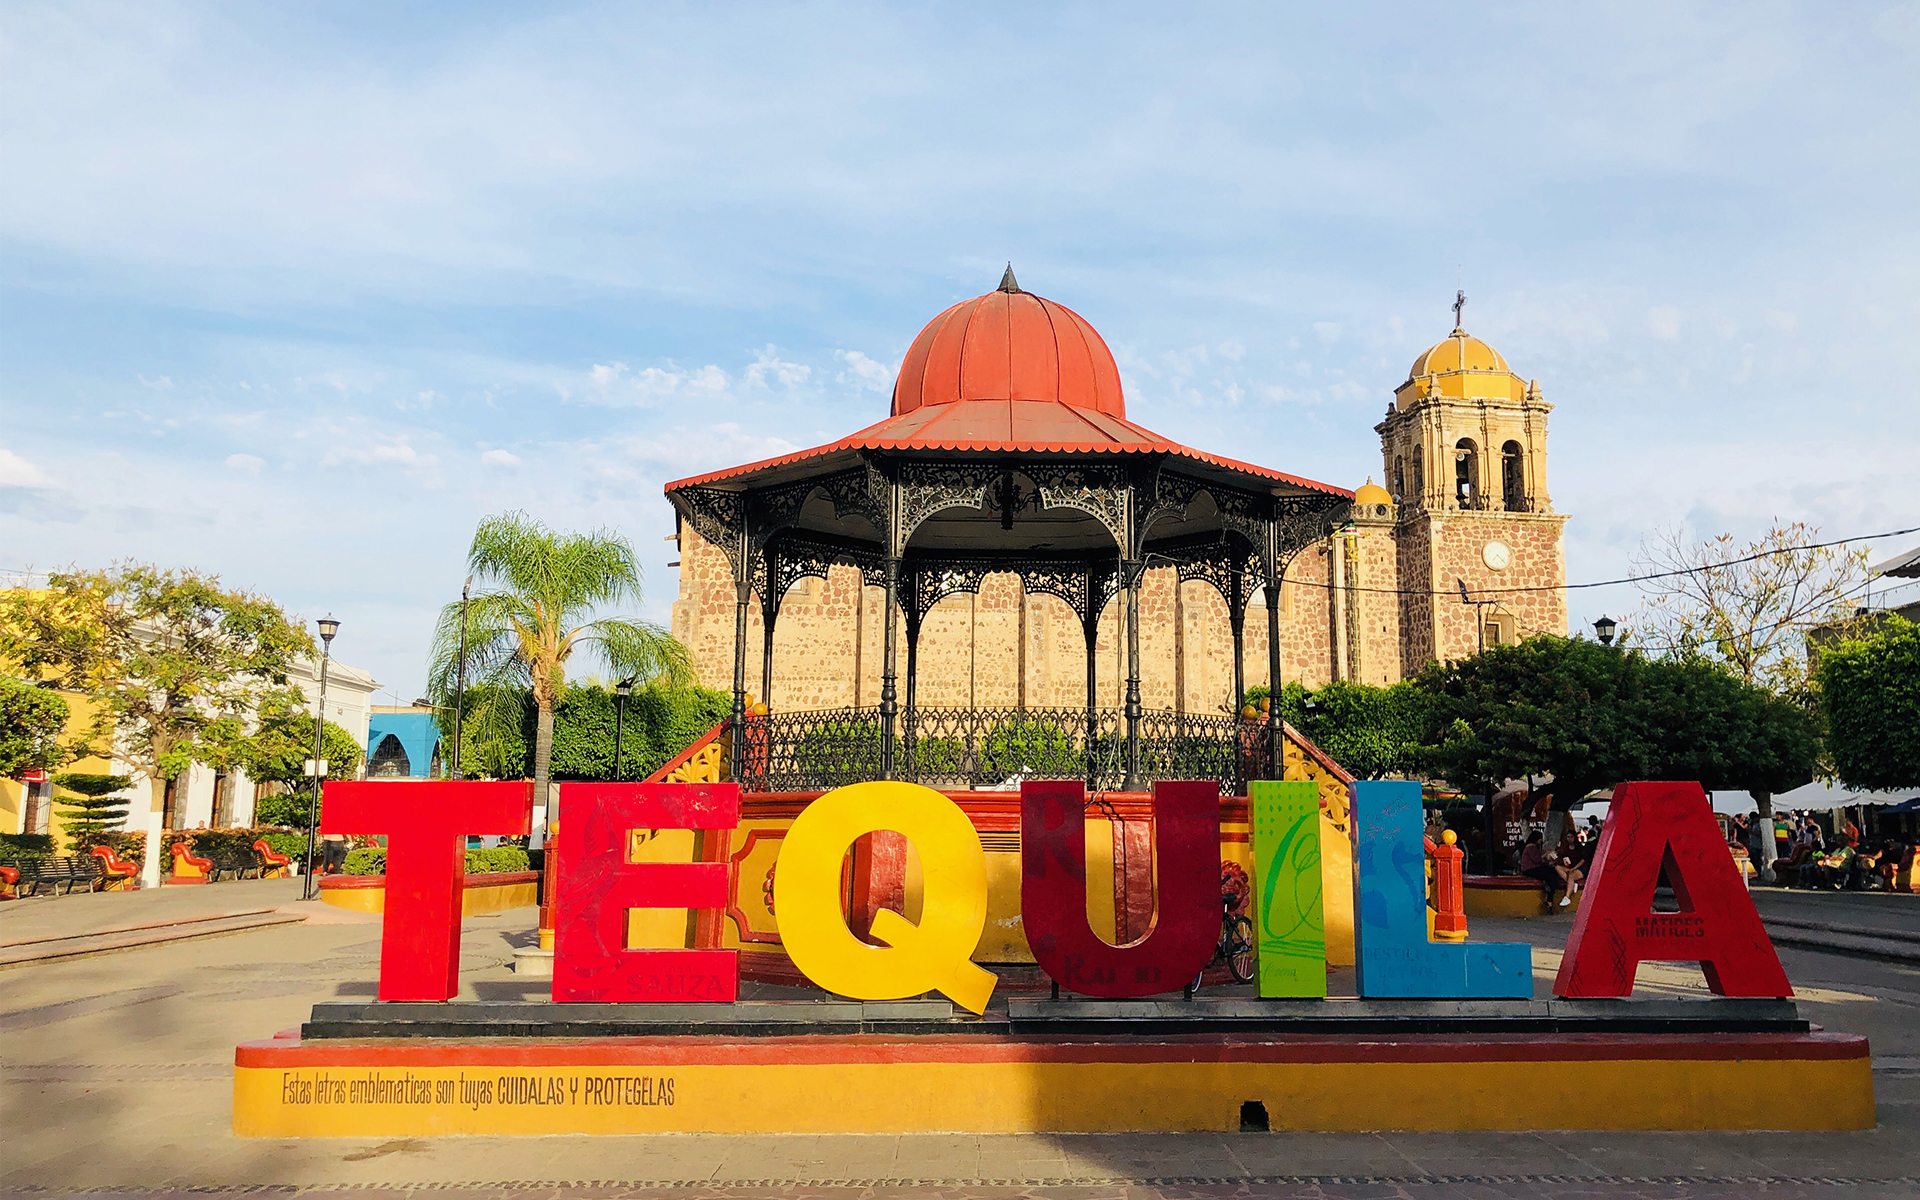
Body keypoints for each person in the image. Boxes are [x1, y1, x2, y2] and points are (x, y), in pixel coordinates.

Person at [1518, 832, 1583, 907]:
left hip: (1531, 868)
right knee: (1552, 874)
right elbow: (1537, 860)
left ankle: (1550, 896)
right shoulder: (1531, 847)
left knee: (1551, 872)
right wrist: (1546, 854)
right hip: (1530, 869)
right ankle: (1550, 897)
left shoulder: (1530, 847)